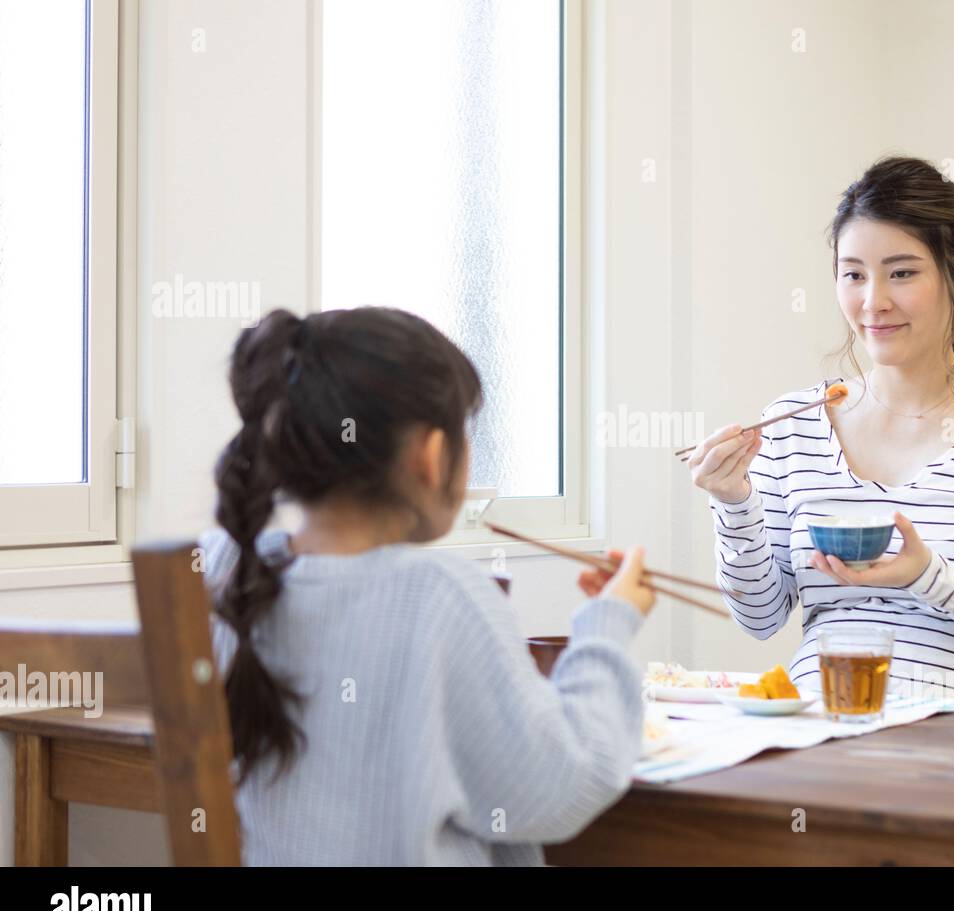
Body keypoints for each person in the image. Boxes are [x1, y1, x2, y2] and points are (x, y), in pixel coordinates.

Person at [199, 305, 654, 864]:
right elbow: (562, 785)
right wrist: (609, 624)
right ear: (431, 456)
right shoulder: (437, 595)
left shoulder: (230, 573)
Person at [689, 156, 954, 708]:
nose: (873, 301)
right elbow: (760, 619)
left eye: (901, 272)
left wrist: (928, 575)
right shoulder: (794, 427)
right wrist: (733, 502)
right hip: (822, 726)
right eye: (853, 274)